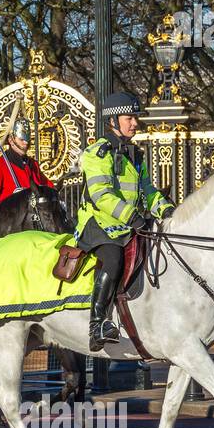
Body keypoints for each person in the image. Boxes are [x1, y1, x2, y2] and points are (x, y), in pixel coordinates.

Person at [75, 91, 175, 350]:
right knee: (114, 258)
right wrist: (133, 217)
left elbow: (148, 191)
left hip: (127, 225)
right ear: (113, 120)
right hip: (98, 224)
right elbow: (101, 196)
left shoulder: (134, 155)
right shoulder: (97, 153)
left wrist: (165, 210)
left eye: (135, 118)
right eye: (129, 118)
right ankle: (97, 324)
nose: (134, 123)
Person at [0, 103, 52, 209]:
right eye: (21, 139)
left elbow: (46, 186)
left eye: (27, 139)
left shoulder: (33, 164)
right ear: (11, 140)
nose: (26, 143)